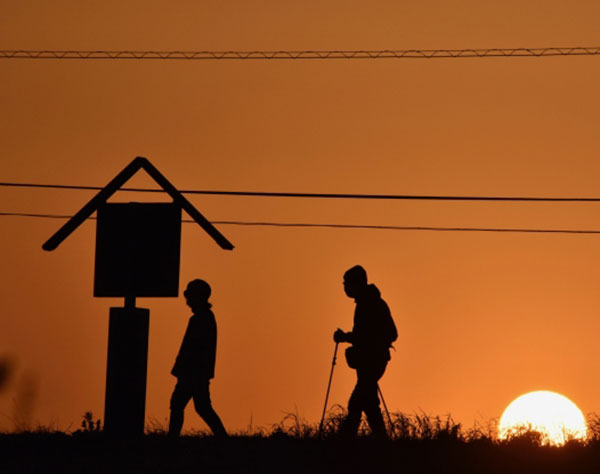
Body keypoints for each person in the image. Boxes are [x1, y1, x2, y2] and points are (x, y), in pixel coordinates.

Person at [334, 265, 397, 438]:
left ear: (358, 283)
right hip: (370, 361)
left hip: (373, 362)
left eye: (347, 283)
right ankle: (381, 441)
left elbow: (389, 333)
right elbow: (363, 335)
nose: (345, 287)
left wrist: (346, 337)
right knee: (369, 403)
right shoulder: (367, 303)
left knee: (356, 403)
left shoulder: (370, 304)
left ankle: (345, 441)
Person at [168, 279, 227, 437]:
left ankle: (172, 439)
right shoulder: (204, 318)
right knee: (200, 407)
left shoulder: (202, 319)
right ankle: (222, 437)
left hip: (193, 373)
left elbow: (193, 348)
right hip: (196, 372)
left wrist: (183, 369)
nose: (187, 301)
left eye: (190, 296)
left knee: (180, 404)